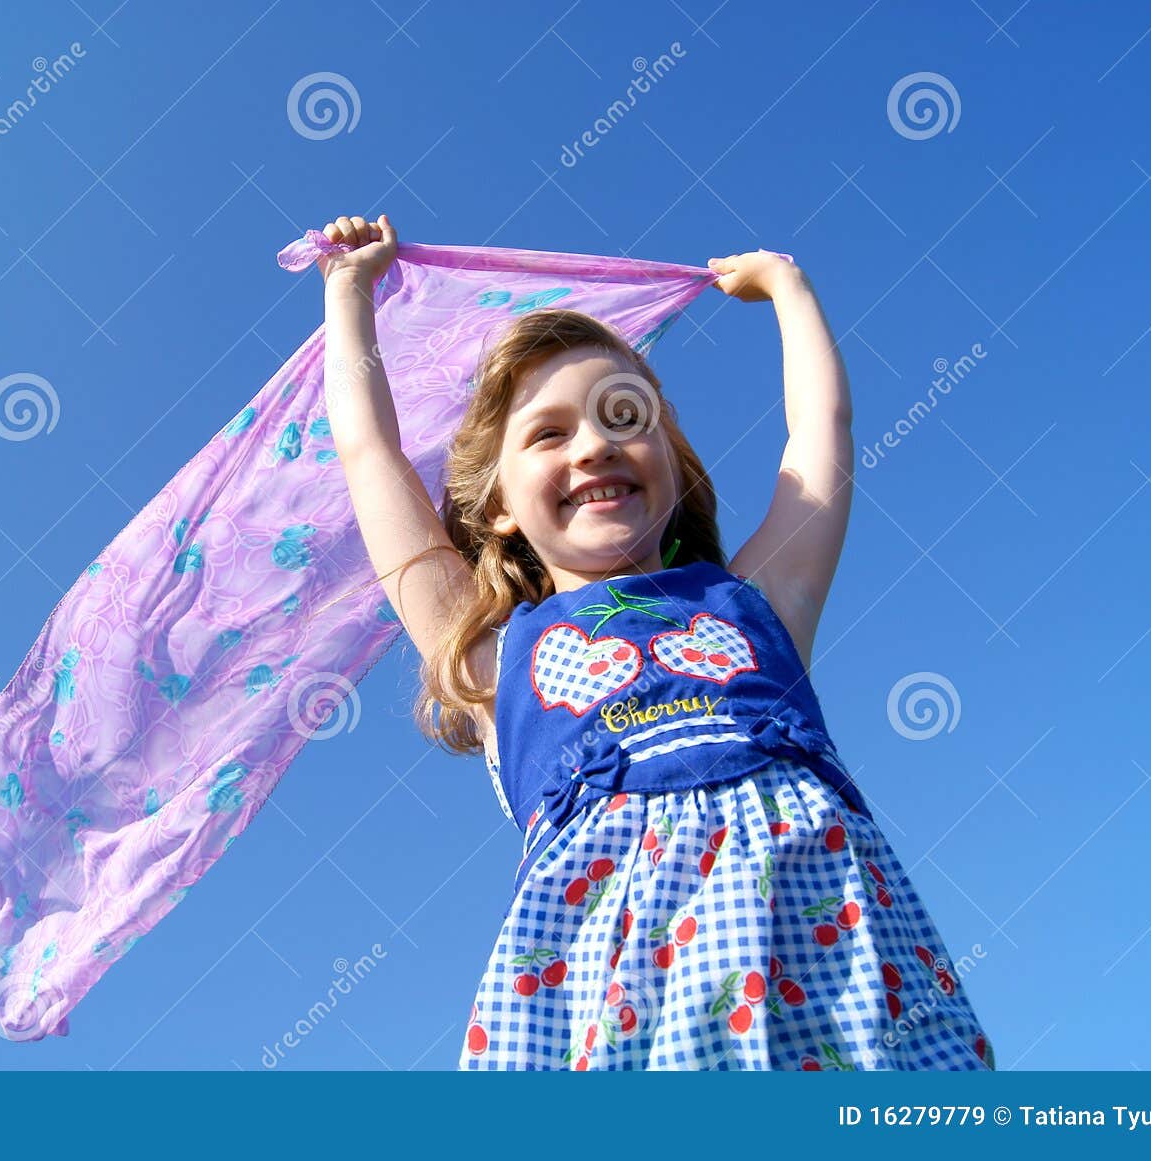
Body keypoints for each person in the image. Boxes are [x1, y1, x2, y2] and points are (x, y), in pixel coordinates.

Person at [318, 213, 995, 1071]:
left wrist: (788, 288)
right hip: (619, 1012)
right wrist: (350, 292)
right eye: (549, 432)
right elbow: (368, 453)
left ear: (670, 462)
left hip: (839, 982)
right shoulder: (492, 655)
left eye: (623, 415)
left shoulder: (753, 605)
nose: (595, 442)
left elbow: (822, 435)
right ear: (497, 505)